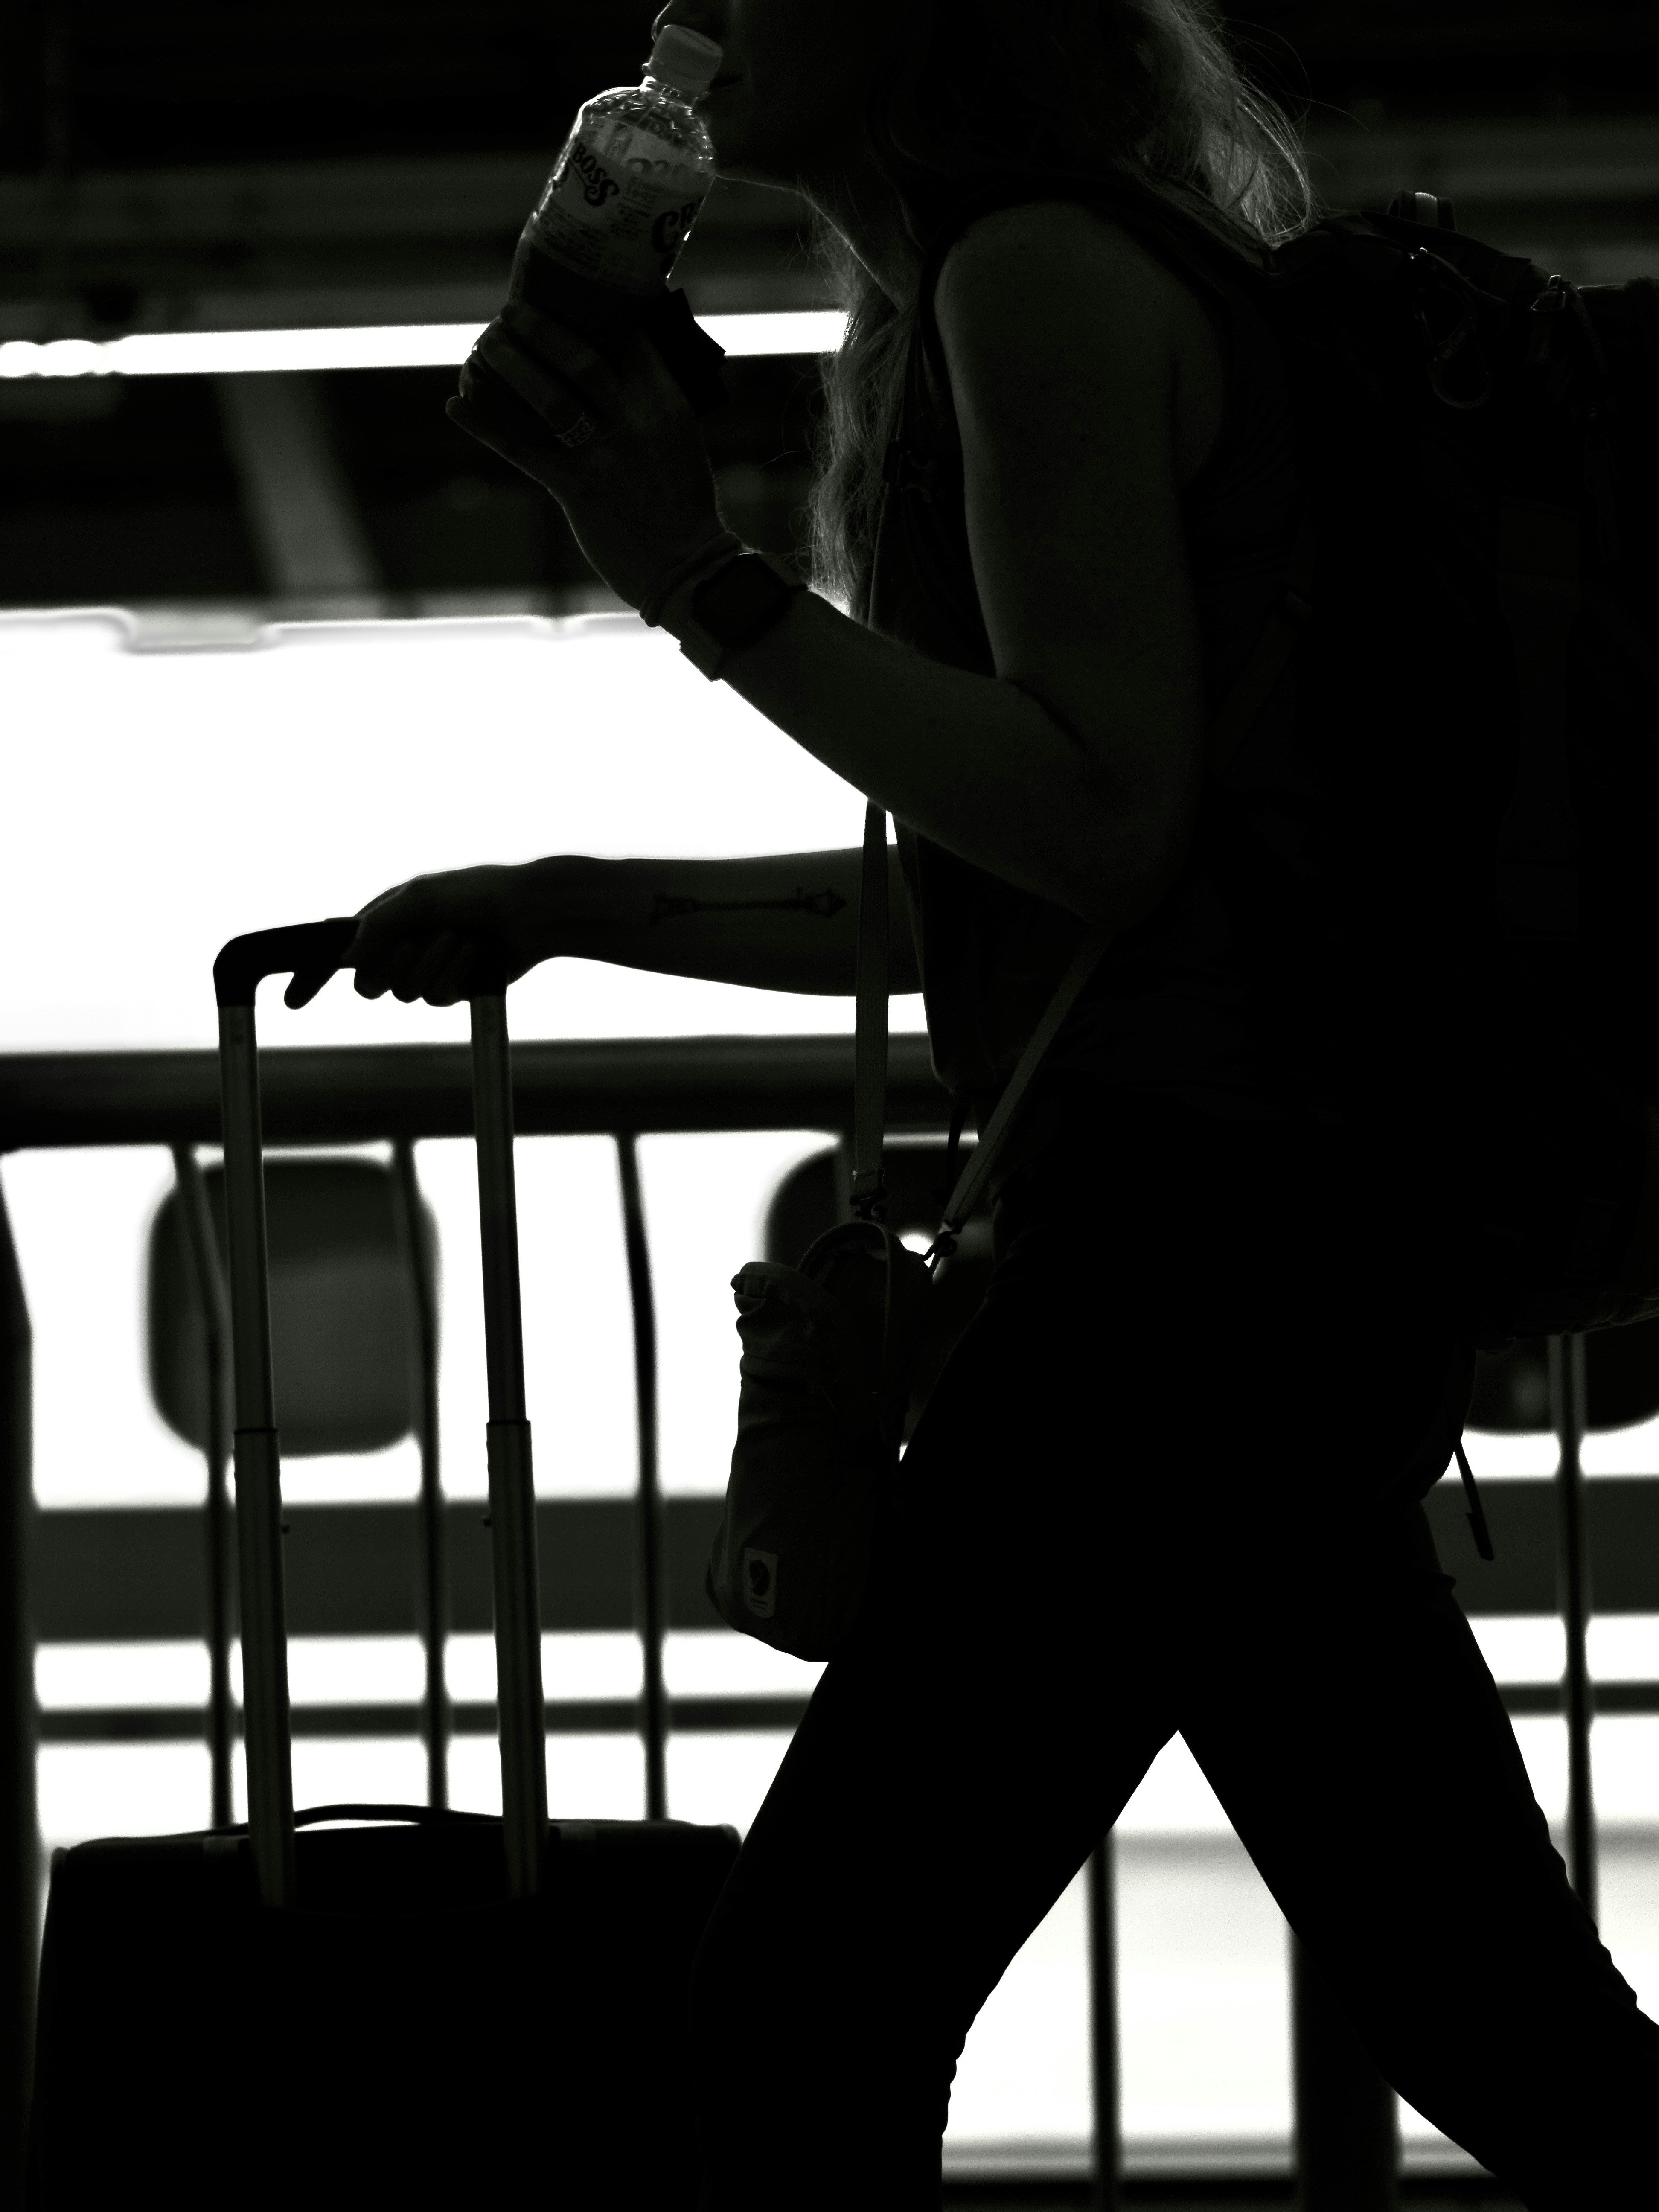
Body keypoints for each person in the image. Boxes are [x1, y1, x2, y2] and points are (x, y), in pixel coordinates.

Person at [346, 1, 1659, 2203]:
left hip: (1183, 1275)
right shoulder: (1042, 273)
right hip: (1277, 1265)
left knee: (808, 2004)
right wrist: (579, 903)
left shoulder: (1032, 275)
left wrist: (693, 575)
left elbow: (1096, 820)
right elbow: (1032, 880)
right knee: (1499, 2020)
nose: (704, 6)